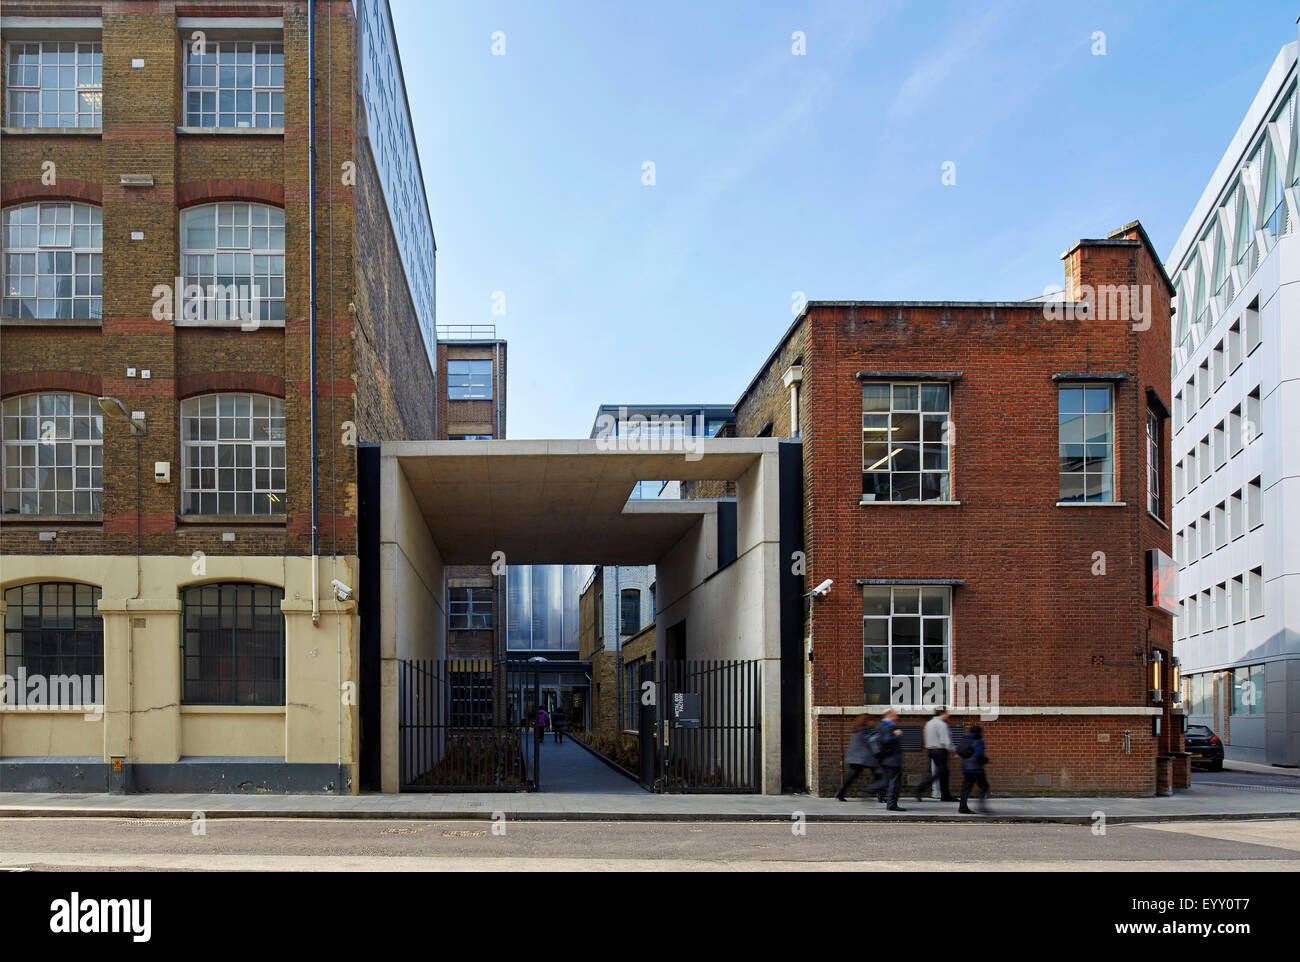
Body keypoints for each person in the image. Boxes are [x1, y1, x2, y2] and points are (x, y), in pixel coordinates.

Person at [914, 707, 959, 802]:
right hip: (940, 751)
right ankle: (919, 788)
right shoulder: (942, 724)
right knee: (941, 773)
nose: (948, 715)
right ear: (943, 713)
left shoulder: (928, 723)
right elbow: (945, 741)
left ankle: (945, 795)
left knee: (944, 773)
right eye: (947, 713)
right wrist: (954, 750)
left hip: (931, 750)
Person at [865, 708, 906, 811]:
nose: (897, 716)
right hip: (892, 759)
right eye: (895, 714)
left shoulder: (879, 726)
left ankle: (872, 790)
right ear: (890, 715)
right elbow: (887, 740)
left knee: (887, 780)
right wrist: (896, 735)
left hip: (883, 758)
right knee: (894, 782)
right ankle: (891, 804)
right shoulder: (889, 726)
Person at [834, 714, 876, 801]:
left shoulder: (856, 730)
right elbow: (871, 742)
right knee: (879, 776)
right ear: (866, 721)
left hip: (854, 758)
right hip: (864, 758)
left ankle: (840, 793)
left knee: (851, 777)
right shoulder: (865, 731)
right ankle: (877, 794)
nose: (873, 722)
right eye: (871, 720)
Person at [958, 723, 992, 814]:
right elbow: (978, 756)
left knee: (966, 788)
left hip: (965, 768)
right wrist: (986, 760)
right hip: (977, 769)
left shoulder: (965, 738)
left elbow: (960, 751)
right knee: (984, 787)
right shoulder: (979, 740)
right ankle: (981, 807)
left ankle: (962, 807)